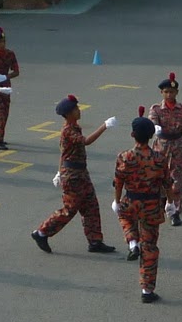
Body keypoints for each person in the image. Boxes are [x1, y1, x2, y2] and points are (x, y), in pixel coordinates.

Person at [31, 96, 120, 255]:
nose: (79, 111)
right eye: (76, 109)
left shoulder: (74, 127)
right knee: (70, 209)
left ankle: (95, 241)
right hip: (73, 177)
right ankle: (42, 232)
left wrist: (59, 171)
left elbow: (63, 153)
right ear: (68, 114)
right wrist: (104, 126)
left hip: (80, 174)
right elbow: (86, 141)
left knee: (91, 206)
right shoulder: (68, 130)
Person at [113, 108, 169, 303]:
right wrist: (170, 202)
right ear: (151, 135)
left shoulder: (124, 156)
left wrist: (117, 200)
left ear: (132, 135)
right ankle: (147, 289)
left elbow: (118, 181)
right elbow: (167, 183)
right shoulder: (159, 158)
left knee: (123, 216)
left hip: (131, 200)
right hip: (152, 204)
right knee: (150, 247)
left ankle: (132, 242)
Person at [149, 73, 182, 225]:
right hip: (161, 146)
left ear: (177, 92)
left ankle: (175, 210)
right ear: (162, 93)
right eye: (166, 92)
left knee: (176, 178)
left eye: (172, 92)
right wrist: (156, 129)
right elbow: (153, 123)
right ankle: (162, 202)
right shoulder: (156, 109)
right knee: (160, 176)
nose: (169, 94)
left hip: (178, 146)